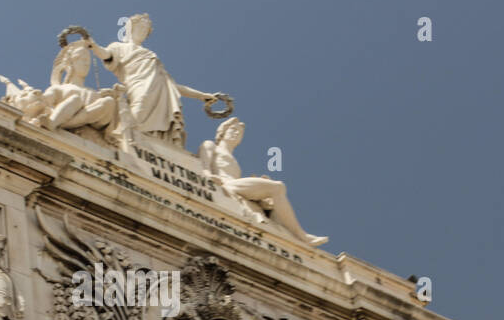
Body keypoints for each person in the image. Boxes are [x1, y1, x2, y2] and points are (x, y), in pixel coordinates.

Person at [86, 14, 222, 146]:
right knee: (136, 116)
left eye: (146, 30)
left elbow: (171, 86)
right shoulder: (119, 47)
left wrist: (201, 96)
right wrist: (94, 46)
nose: (143, 31)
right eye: (141, 27)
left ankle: (153, 150)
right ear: (131, 28)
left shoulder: (150, 56)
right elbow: (106, 54)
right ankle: (125, 143)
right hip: (139, 87)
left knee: (159, 126)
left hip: (160, 93)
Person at [198, 118, 327, 245]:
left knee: (274, 200)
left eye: (240, 133)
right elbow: (204, 167)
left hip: (236, 185)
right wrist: (209, 175)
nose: (236, 134)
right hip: (226, 184)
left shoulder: (234, 159)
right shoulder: (210, 145)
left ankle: (291, 237)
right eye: (233, 129)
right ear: (222, 132)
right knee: (278, 187)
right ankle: (301, 235)